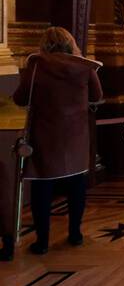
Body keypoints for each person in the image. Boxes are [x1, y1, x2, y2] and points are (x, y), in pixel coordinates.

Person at [11, 27, 103, 255]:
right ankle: (75, 234)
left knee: (42, 187)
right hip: (75, 136)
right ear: (70, 42)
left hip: (45, 136)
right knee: (76, 187)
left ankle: (42, 242)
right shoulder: (84, 66)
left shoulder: (37, 66)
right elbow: (97, 96)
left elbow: (21, 98)